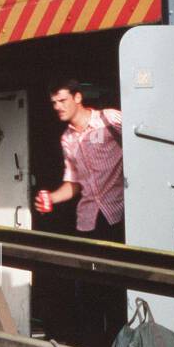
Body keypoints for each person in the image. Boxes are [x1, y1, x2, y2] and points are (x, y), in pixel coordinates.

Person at [34, 78, 124, 242]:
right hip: (87, 221)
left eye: (62, 100)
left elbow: (141, 142)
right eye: (54, 102)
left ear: (77, 98)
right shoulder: (66, 139)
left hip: (119, 215)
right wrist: (52, 198)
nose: (57, 107)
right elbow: (74, 182)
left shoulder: (108, 118)